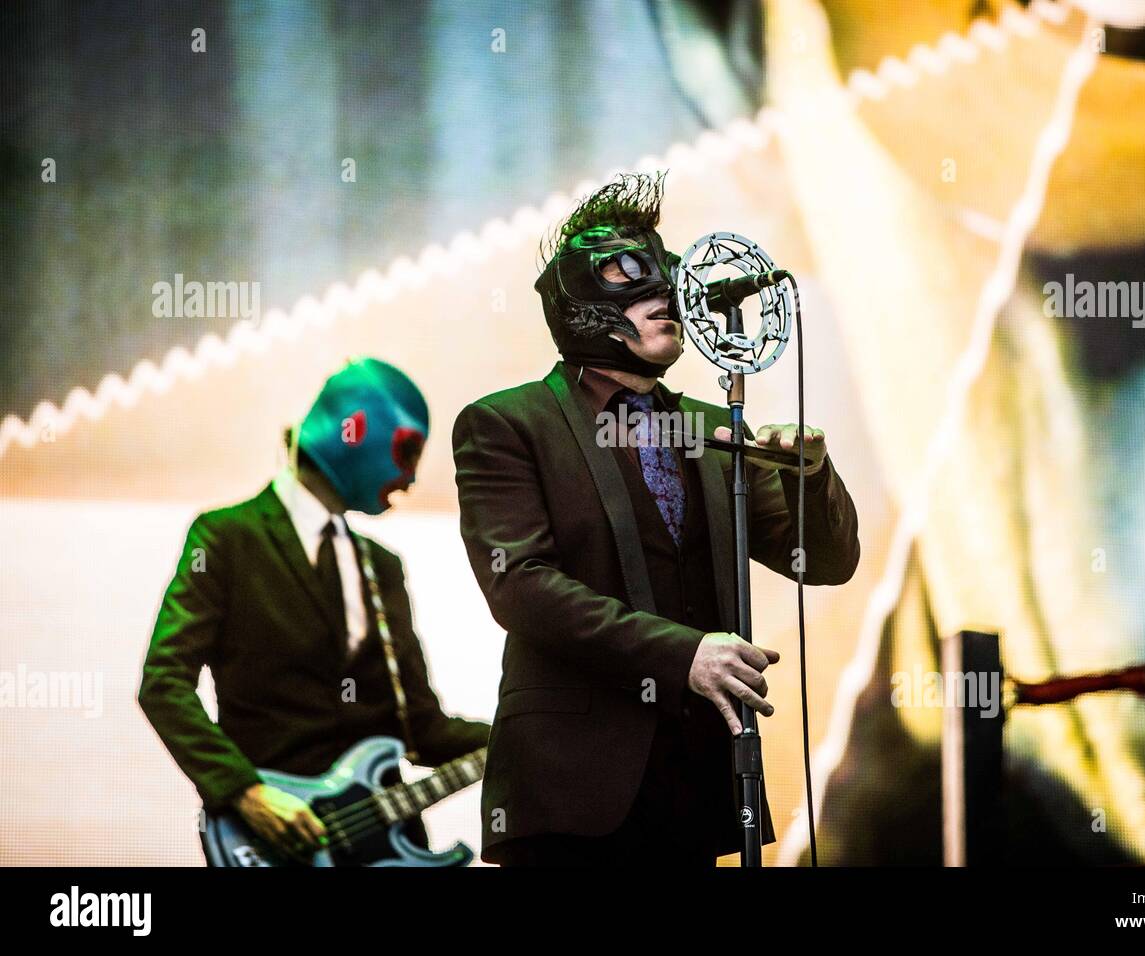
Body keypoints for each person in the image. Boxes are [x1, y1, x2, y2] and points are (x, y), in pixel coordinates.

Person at [452, 172, 860, 866]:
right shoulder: (507, 423)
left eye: (667, 280)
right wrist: (683, 654)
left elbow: (823, 561)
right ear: (582, 302)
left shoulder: (711, 431)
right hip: (571, 794)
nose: (666, 300)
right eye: (630, 280)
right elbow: (519, 585)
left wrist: (814, 473)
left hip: (696, 789)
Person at [140, 358, 489, 862]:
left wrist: (530, 728)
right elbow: (164, 683)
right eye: (407, 452)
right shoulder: (226, 539)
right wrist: (244, 792)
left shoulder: (381, 567)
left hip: (387, 844)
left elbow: (422, 729)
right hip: (276, 843)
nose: (409, 480)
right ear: (358, 433)